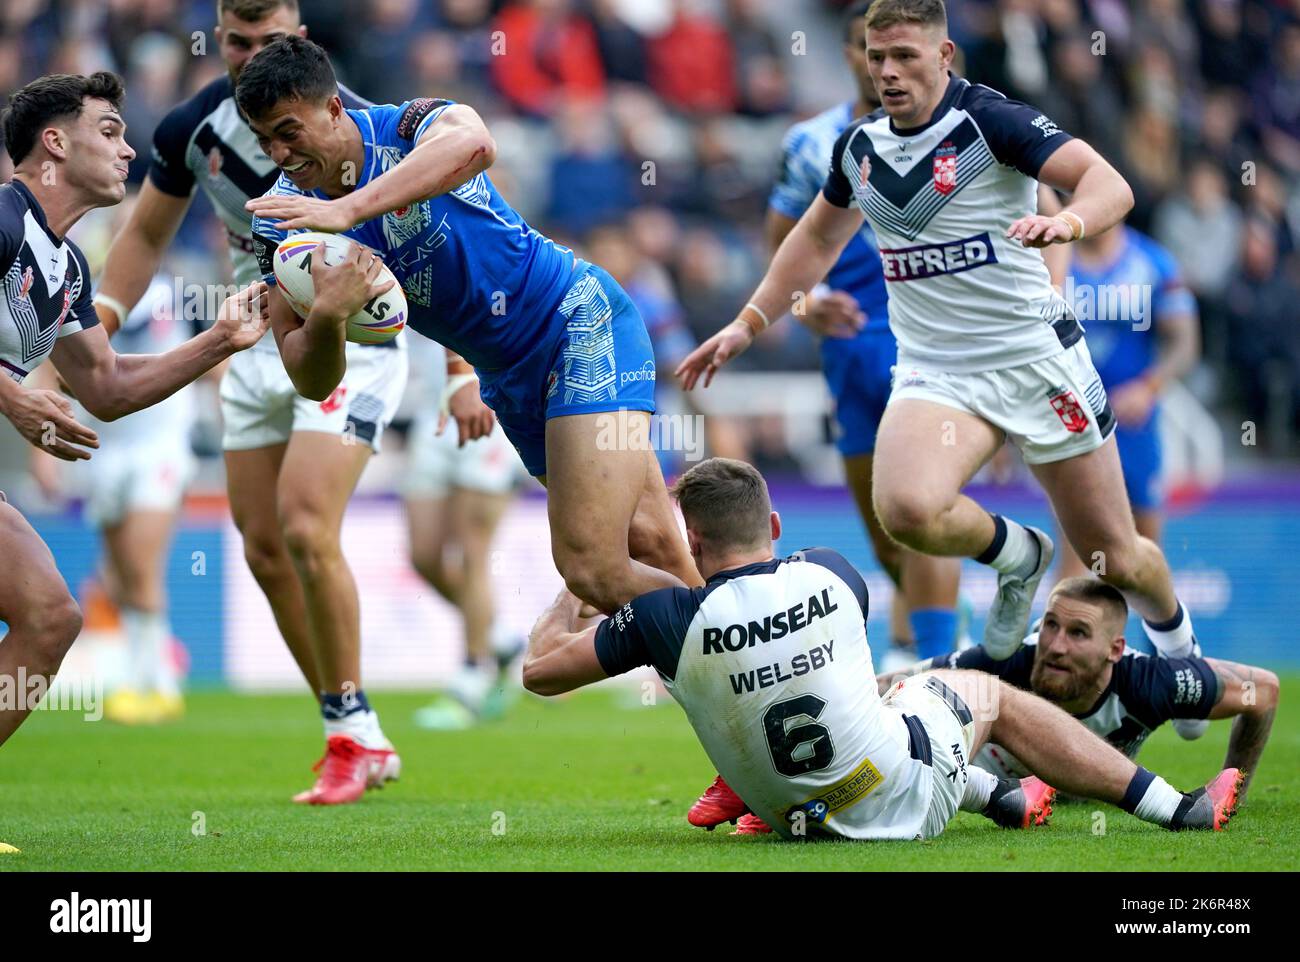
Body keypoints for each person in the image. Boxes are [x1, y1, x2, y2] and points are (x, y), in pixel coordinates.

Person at [677, 0, 1202, 678]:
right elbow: (813, 238)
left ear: (944, 55)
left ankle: (1179, 644)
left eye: (905, 57)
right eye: (877, 57)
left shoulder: (990, 120)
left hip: (1032, 359)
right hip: (936, 370)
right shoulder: (859, 146)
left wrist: (1068, 224)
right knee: (906, 510)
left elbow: (1110, 183)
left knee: (1114, 554)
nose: (889, 72)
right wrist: (747, 324)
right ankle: (1019, 555)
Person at [236, 40, 700, 642]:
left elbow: (477, 144)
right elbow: (311, 376)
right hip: (506, 376)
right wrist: (327, 313)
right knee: (653, 541)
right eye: (264, 139)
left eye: (289, 131)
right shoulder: (278, 222)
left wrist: (347, 210)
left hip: (573, 320)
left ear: (332, 108)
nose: (280, 152)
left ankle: (744, 630)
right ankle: (751, 651)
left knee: (593, 568)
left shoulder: (406, 125)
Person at [522, 458, 1242, 840]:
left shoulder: (663, 620)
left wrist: (592, 585)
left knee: (888, 704)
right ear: (771, 521)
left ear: (695, 543)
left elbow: (539, 672)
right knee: (987, 698)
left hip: (793, 821)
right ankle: (1178, 811)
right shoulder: (830, 571)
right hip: (897, 802)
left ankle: (1007, 801)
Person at [92, 0, 410, 805]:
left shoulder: (355, 123)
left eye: (269, 42)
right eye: (236, 42)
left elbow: (429, 241)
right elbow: (144, 237)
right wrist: (98, 320)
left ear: (299, 37)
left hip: (353, 340)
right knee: (264, 547)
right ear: (220, 38)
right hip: (256, 338)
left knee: (306, 524)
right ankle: (353, 725)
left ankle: (350, 737)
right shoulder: (195, 129)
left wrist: (469, 370)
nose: (249, 57)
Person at [0, 70, 268, 750]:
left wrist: (218, 340)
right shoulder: (2, 221)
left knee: (51, 618)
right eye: (110, 133)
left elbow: (107, 386)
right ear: (54, 143)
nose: (128, 151)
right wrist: (14, 398)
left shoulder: (65, 269)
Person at [765, 0, 960, 665]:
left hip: (923, 347)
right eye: (865, 51)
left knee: (925, 515)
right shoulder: (811, 142)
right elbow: (782, 251)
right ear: (849, 54)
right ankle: (928, 647)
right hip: (848, 350)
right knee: (884, 533)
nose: (879, 67)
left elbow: (1040, 207)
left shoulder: (956, 130)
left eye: (896, 54)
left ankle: (938, 663)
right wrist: (805, 302)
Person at [884, 579, 1277, 803]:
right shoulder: (1004, 661)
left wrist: (1234, 790)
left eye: (1078, 634)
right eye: (1051, 625)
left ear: (1115, 650)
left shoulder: (1149, 683)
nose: (1055, 646)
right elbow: (894, 683)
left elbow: (1263, 690)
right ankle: (958, 623)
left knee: (1192, 726)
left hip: (1085, 791)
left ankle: (1172, 625)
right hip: (986, 784)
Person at [1056, 222, 1205, 738]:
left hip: (1136, 426)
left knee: (1141, 556)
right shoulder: (1058, 261)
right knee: (1074, 553)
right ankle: (1064, 700)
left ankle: (1173, 677)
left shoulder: (1154, 263)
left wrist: (1151, 386)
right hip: (1072, 426)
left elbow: (1185, 342)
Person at [403, 334, 527, 729]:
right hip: (433, 414)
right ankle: (501, 637)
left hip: (490, 413)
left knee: (472, 553)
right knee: (423, 556)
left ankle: (472, 675)